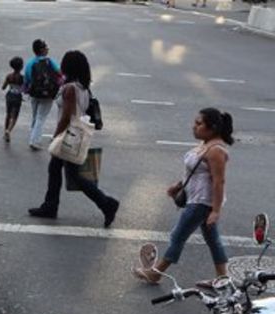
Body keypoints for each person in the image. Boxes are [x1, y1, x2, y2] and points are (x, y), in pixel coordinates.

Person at [133, 108, 234, 285]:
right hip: (198, 199)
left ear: (212, 127)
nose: (193, 127)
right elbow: (195, 173)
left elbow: (219, 182)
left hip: (202, 202)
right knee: (213, 240)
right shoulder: (206, 144)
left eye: (199, 123)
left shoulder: (216, 150)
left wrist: (215, 211)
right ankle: (223, 279)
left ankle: (155, 273)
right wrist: (179, 185)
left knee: (178, 236)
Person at [28, 50, 120, 227]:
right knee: (55, 169)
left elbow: (67, 116)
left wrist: (56, 135)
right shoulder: (84, 88)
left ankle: (107, 203)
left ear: (68, 67)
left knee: (74, 176)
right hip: (77, 134)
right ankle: (50, 205)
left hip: (69, 134)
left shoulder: (70, 88)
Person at [23, 39, 61, 150]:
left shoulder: (30, 63)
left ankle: (33, 137)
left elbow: (27, 79)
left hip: (34, 93)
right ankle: (34, 141)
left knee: (35, 116)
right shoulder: (50, 61)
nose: (48, 49)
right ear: (42, 50)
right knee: (41, 117)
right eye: (46, 47)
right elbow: (59, 73)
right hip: (48, 94)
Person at [1, 56, 24, 143]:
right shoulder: (22, 78)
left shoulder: (9, 76)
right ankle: (9, 130)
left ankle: (5, 131)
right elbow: (25, 89)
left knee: (8, 114)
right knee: (14, 116)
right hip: (17, 97)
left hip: (9, 95)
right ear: (21, 67)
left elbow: (3, 87)